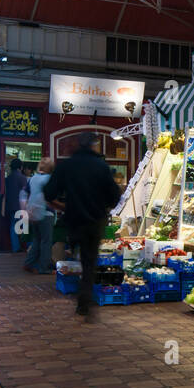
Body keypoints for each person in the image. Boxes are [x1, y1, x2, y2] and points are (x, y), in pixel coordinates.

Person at [44, 133, 122, 317]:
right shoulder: (101, 167)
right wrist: (103, 206)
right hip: (94, 222)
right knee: (88, 263)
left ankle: (72, 280)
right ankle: (83, 302)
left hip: (73, 221)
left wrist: (62, 206)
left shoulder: (67, 165)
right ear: (94, 146)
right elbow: (114, 196)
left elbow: (49, 192)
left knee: (74, 252)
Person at [22, 157, 55, 275]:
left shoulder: (32, 179)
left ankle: (29, 263)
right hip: (46, 212)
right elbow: (52, 196)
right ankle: (44, 268)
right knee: (46, 241)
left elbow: (25, 193)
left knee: (37, 239)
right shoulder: (50, 179)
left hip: (33, 213)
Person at [3, 157, 29, 253]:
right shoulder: (22, 178)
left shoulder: (8, 178)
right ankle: (22, 247)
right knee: (24, 227)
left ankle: (15, 246)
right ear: (20, 167)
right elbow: (26, 191)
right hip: (20, 205)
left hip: (10, 205)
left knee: (13, 226)